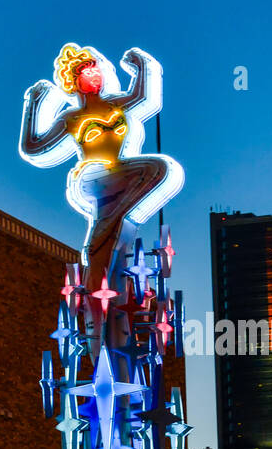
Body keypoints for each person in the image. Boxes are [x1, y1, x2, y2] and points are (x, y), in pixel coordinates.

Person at [19, 45, 184, 357]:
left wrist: (142, 65)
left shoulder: (116, 104)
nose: (92, 75)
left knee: (158, 170)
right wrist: (37, 102)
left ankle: (102, 270)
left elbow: (143, 96)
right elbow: (34, 146)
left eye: (95, 69)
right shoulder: (72, 117)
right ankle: (108, 236)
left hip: (122, 174)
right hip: (91, 178)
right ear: (75, 80)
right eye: (85, 72)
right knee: (151, 172)